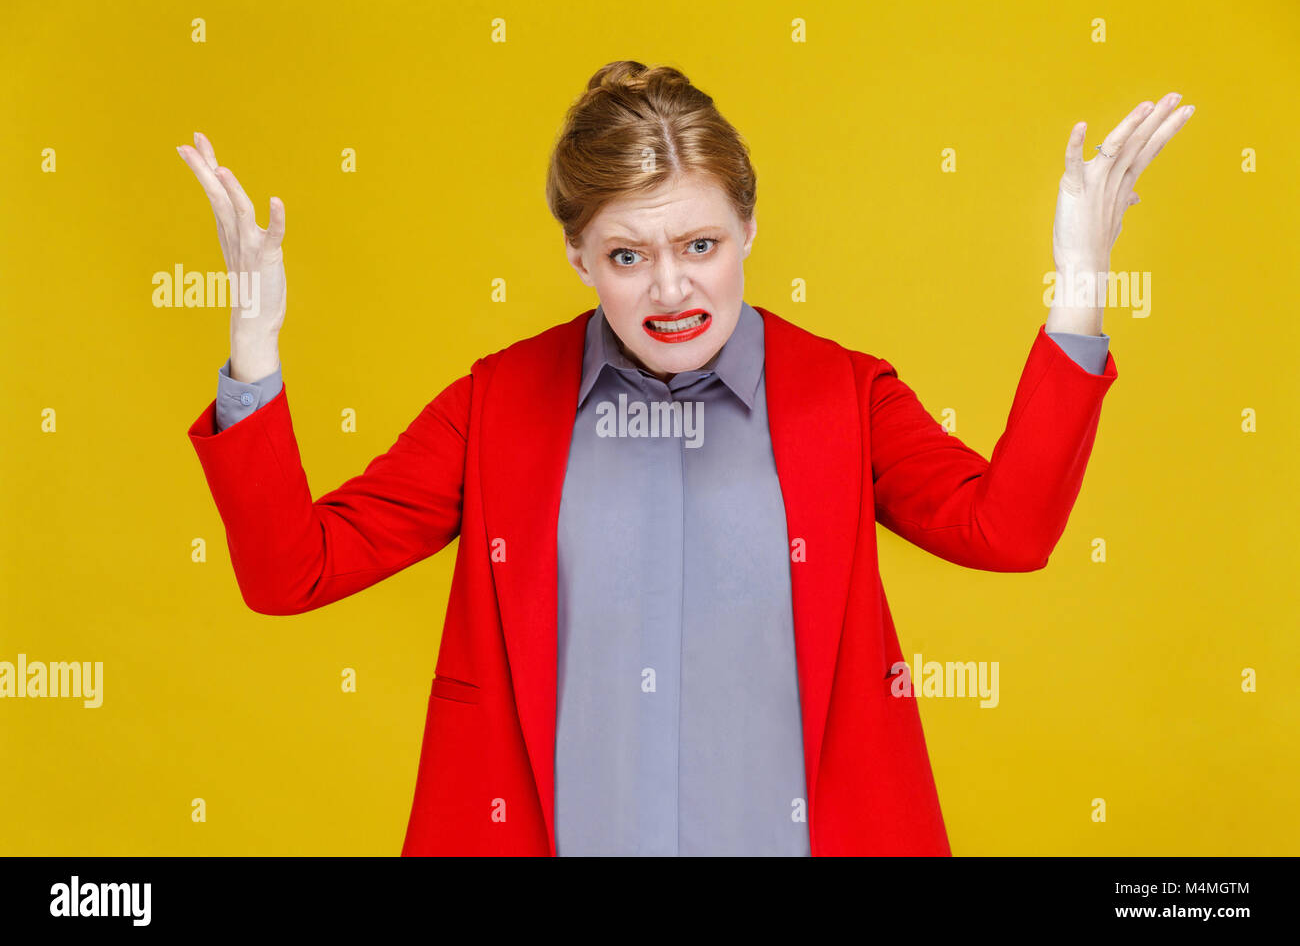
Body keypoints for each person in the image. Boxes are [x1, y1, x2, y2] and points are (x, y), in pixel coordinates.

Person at [180, 61, 1193, 855]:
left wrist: (1077, 294)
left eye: (700, 244)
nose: (672, 289)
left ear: (749, 225)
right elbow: (292, 570)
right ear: (578, 258)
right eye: (628, 255)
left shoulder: (845, 394)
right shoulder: (495, 405)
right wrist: (256, 354)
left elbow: (1005, 531)